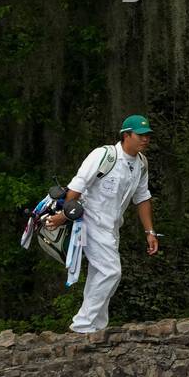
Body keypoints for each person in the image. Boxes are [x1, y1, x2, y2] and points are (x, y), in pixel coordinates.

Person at [45, 114, 158, 333]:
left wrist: (150, 231)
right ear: (126, 136)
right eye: (141, 135)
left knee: (101, 273)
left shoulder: (142, 163)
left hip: (112, 227)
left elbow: (142, 197)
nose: (145, 139)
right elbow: (75, 189)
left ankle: (96, 326)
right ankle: (82, 325)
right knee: (111, 271)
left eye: (148, 136)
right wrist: (65, 215)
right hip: (89, 220)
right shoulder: (104, 155)